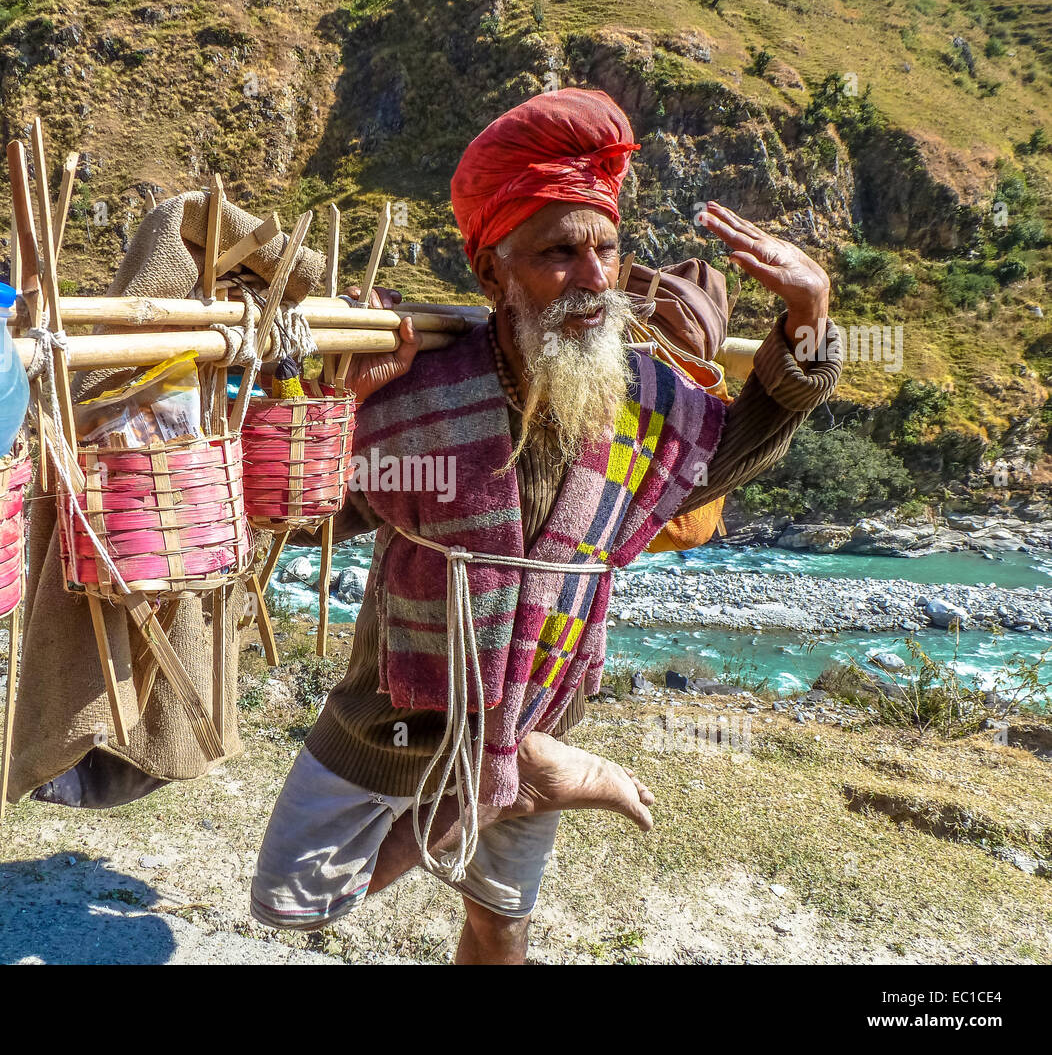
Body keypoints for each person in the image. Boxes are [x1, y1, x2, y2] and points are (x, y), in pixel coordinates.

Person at [249, 87, 844, 964]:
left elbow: (727, 452)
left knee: (500, 921)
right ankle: (525, 776)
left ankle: (519, 769)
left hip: (543, 695)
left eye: (605, 247)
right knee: (293, 901)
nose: (596, 279)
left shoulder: (639, 398)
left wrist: (810, 318)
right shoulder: (413, 390)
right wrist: (338, 401)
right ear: (490, 271)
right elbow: (303, 514)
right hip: (400, 708)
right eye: (558, 253)